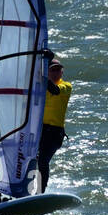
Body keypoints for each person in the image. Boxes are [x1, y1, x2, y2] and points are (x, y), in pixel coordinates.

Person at [38, 58, 71, 191]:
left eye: (58, 70)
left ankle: (40, 192)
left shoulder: (66, 86)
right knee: (20, 158)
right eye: (53, 70)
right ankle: (2, 192)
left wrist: (40, 75)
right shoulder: (39, 86)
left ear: (62, 73)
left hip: (55, 134)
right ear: (48, 71)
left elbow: (54, 90)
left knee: (43, 161)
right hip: (39, 130)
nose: (56, 72)